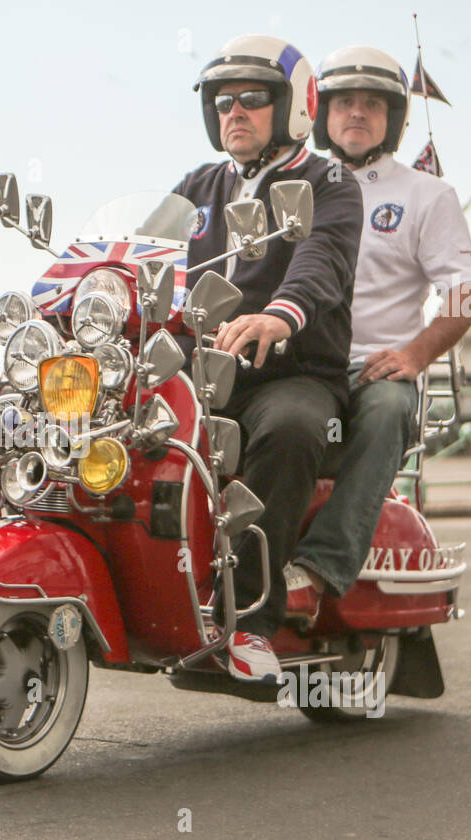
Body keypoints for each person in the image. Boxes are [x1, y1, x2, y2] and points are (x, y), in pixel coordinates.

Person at [174, 34, 364, 681]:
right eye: (222, 100)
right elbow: (143, 252)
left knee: (288, 431)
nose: (235, 110)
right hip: (203, 369)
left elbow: (324, 256)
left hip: (293, 371)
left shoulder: (327, 180)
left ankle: (250, 622)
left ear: (293, 105)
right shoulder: (197, 186)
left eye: (253, 98)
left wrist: (279, 314)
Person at [284, 45, 471, 622]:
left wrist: (416, 354)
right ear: (321, 113)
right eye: (344, 102)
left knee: (389, 406)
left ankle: (318, 570)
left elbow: (467, 291)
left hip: (371, 368)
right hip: (293, 366)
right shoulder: (290, 184)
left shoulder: (427, 194)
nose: (356, 114)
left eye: (373, 104)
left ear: (393, 119)